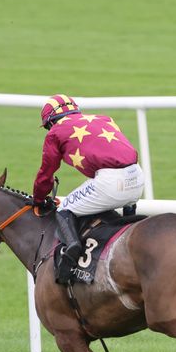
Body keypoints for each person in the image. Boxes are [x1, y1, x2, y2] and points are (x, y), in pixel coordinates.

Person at [31, 94, 144, 268]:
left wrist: (38, 199)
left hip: (110, 183)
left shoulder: (55, 132)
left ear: (51, 122)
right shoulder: (103, 119)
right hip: (137, 177)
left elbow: (46, 174)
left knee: (64, 209)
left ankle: (72, 252)